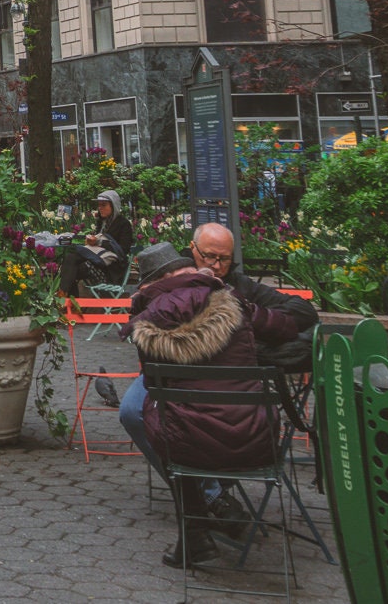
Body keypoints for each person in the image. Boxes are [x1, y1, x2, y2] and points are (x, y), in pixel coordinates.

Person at [121, 241, 301, 567]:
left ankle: (195, 533)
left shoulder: (146, 323)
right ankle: (201, 523)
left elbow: (153, 385)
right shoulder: (232, 301)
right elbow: (288, 327)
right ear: (185, 270)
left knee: (170, 418)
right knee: (181, 421)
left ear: (149, 284)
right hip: (257, 442)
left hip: (189, 451)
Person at [187, 222, 319, 371]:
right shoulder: (175, 284)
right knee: (305, 348)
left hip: (243, 364)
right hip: (207, 369)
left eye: (224, 259)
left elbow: (305, 311)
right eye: (210, 256)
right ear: (193, 248)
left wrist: (255, 317)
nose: (217, 266)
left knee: (307, 342)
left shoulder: (240, 284)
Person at [59, 190, 135, 296]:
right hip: (96, 262)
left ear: (114, 205)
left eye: (104, 205)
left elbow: (123, 250)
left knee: (71, 262)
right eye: (99, 205)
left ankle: (67, 300)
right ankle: (71, 302)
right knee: (70, 266)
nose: (100, 208)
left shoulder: (123, 224)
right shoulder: (101, 222)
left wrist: (99, 242)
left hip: (111, 269)